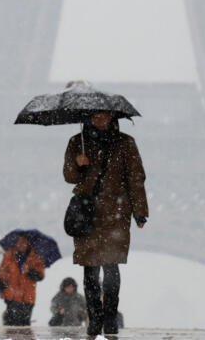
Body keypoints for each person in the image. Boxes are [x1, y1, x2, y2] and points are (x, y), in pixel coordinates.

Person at [63, 111, 148, 336]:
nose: (101, 121)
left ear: (112, 118)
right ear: (88, 118)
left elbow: (135, 177)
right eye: (96, 117)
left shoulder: (126, 143)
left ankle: (110, 316)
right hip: (87, 212)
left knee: (111, 266)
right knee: (90, 270)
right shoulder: (77, 142)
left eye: (105, 117)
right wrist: (78, 164)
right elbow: (69, 176)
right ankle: (95, 317)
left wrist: (140, 212)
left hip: (115, 213)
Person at [0, 235, 45, 326]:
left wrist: (29, 272)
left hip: (28, 297)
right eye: (19, 242)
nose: (22, 245)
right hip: (12, 296)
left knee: (25, 326)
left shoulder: (35, 256)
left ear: (28, 243)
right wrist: (1, 289)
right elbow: (2, 274)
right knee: (11, 326)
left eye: (24, 242)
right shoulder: (9, 255)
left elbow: (40, 276)